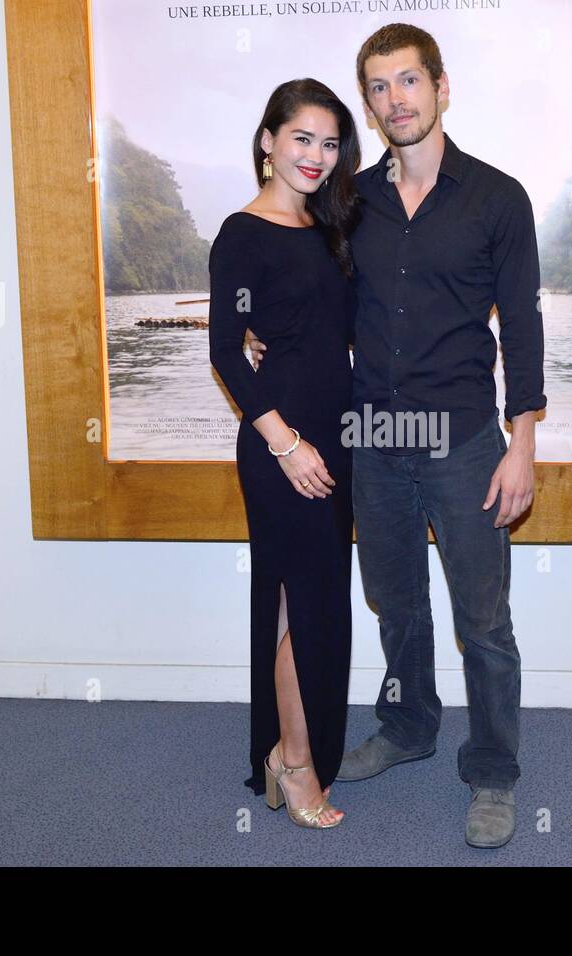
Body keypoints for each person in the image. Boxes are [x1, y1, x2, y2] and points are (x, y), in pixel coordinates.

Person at [248, 24, 546, 848]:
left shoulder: (497, 198)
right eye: (378, 88)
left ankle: (491, 770)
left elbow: (521, 328)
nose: (395, 101)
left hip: (465, 445)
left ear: (441, 88)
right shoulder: (351, 201)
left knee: (483, 620)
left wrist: (522, 443)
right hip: (372, 440)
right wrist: (254, 332)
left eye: (408, 82)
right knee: (397, 606)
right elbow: (302, 281)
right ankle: (411, 726)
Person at [207, 78, 361, 829]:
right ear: (267, 141)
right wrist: (286, 442)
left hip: (336, 436)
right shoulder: (241, 232)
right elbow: (226, 355)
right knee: (305, 603)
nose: (316, 155)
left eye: (330, 143)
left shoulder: (332, 225)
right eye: (301, 138)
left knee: (315, 602)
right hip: (283, 445)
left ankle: (282, 750)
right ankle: (293, 762)